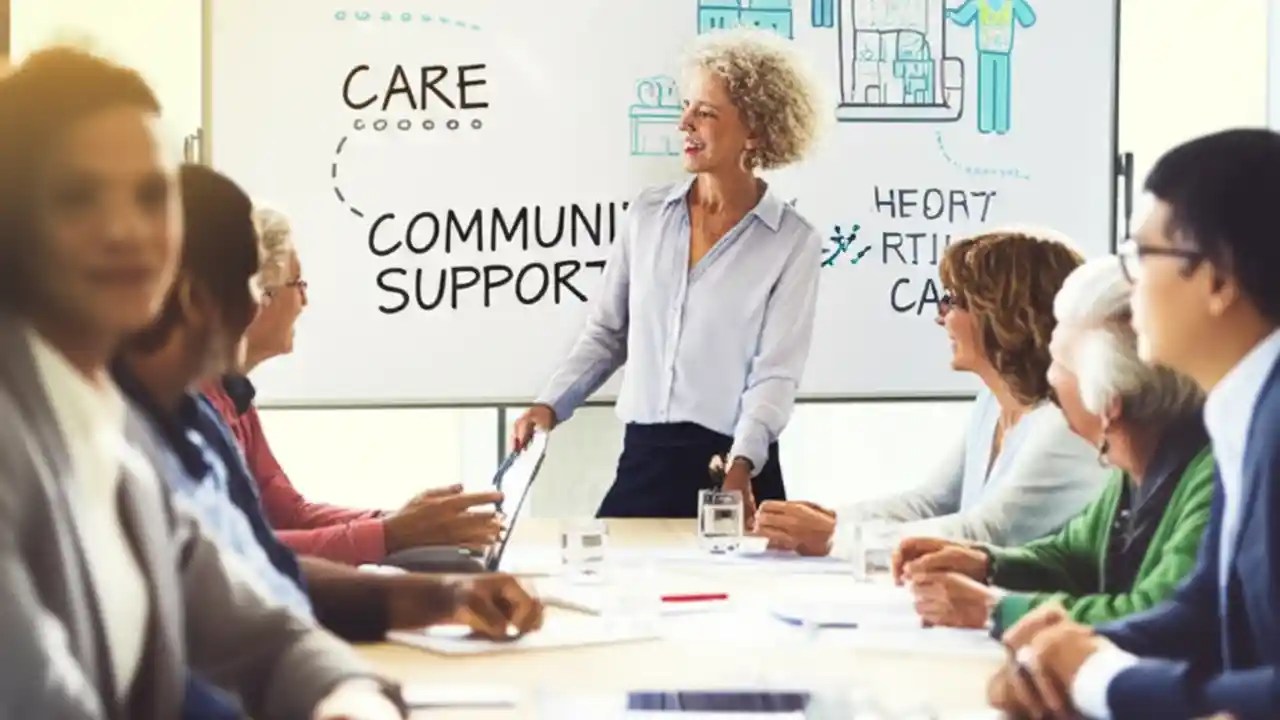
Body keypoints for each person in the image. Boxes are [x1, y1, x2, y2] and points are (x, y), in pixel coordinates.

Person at [0, 46, 404, 720]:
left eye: (151, 194)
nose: (128, 230)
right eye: (78, 195)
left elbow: (266, 634)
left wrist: (350, 699)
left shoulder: (112, 430)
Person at [114, 163, 544, 646]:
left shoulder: (214, 409)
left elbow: (267, 537)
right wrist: (391, 535)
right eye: (274, 288)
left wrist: (404, 535)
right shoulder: (139, 431)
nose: (302, 302)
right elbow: (246, 560)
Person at [988, 129, 1280, 720]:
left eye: (1143, 256)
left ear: (1219, 278)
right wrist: (1053, 655)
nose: (1131, 281)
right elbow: (1200, 614)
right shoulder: (1241, 410)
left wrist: (1097, 677)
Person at [511, 27, 824, 520]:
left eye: (705, 112)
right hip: (644, 459)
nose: (684, 123)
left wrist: (741, 466)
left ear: (756, 130)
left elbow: (774, 376)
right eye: (686, 106)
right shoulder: (648, 216)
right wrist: (549, 405)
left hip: (734, 464)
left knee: (737, 596)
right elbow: (608, 334)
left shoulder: (791, 241)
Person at [898, 256, 1213, 633]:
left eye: (1060, 363)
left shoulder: (1211, 477)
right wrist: (986, 564)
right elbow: (1074, 556)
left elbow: (1154, 615)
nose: (1049, 380)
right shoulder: (1134, 465)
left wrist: (996, 609)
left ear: (1109, 404)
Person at [756, 231, 1108, 554]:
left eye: (951, 302)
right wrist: (833, 520)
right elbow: (932, 502)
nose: (941, 318)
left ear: (1000, 314)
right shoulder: (992, 404)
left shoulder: (1063, 425)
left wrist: (835, 538)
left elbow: (984, 532)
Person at [201, 205, 502, 566]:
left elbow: (290, 513)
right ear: (259, 296)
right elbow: (240, 549)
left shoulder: (235, 395)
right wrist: (392, 533)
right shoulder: (198, 405)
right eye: (298, 284)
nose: (305, 301)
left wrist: (401, 523)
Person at [948, 0, 1037, 135]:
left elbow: (962, 18)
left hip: (988, 50)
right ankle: (999, 125)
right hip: (999, 50)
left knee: (988, 86)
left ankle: (987, 124)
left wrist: (949, 14)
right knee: (999, 87)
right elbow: (1028, 19)